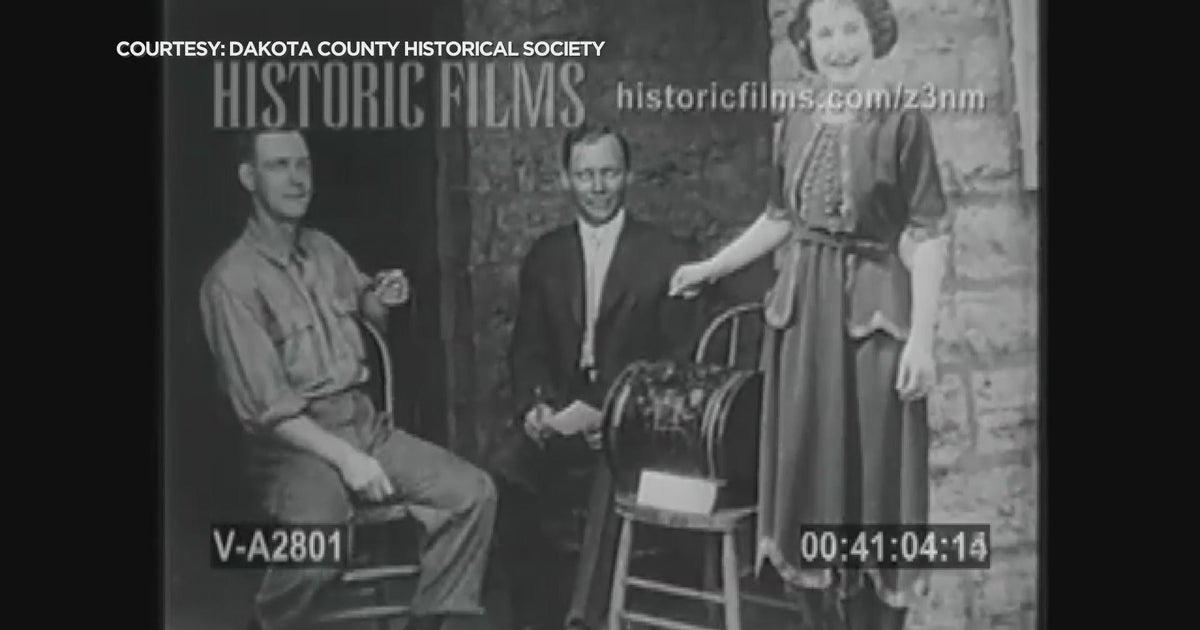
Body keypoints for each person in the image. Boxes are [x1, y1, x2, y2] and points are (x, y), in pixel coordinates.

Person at [670, 1, 950, 629]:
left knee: (874, 484)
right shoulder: (794, 119)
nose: (839, 45)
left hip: (874, 323)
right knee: (806, 479)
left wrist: (923, 340)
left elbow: (926, 233)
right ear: (807, 43)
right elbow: (780, 219)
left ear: (874, 35)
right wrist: (708, 268)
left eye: (851, 29)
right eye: (825, 32)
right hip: (803, 324)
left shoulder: (902, 119)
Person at [199, 127, 497, 630]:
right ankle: (268, 622)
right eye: (279, 166)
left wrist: (384, 296)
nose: (297, 179)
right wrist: (347, 460)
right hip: (291, 448)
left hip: (363, 425)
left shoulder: (324, 250)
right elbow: (267, 411)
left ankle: (426, 624)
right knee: (321, 536)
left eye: (303, 165)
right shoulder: (231, 281)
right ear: (249, 177)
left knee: (473, 493)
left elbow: (367, 311)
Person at [489, 121, 706, 630]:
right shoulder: (546, 256)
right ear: (566, 179)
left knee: (608, 476)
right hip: (561, 409)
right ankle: (530, 618)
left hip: (629, 418)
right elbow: (528, 349)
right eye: (586, 175)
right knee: (504, 472)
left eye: (609, 172)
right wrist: (537, 407)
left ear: (627, 174)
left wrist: (609, 410)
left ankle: (584, 618)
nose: (598, 186)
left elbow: (676, 359)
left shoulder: (665, 254)